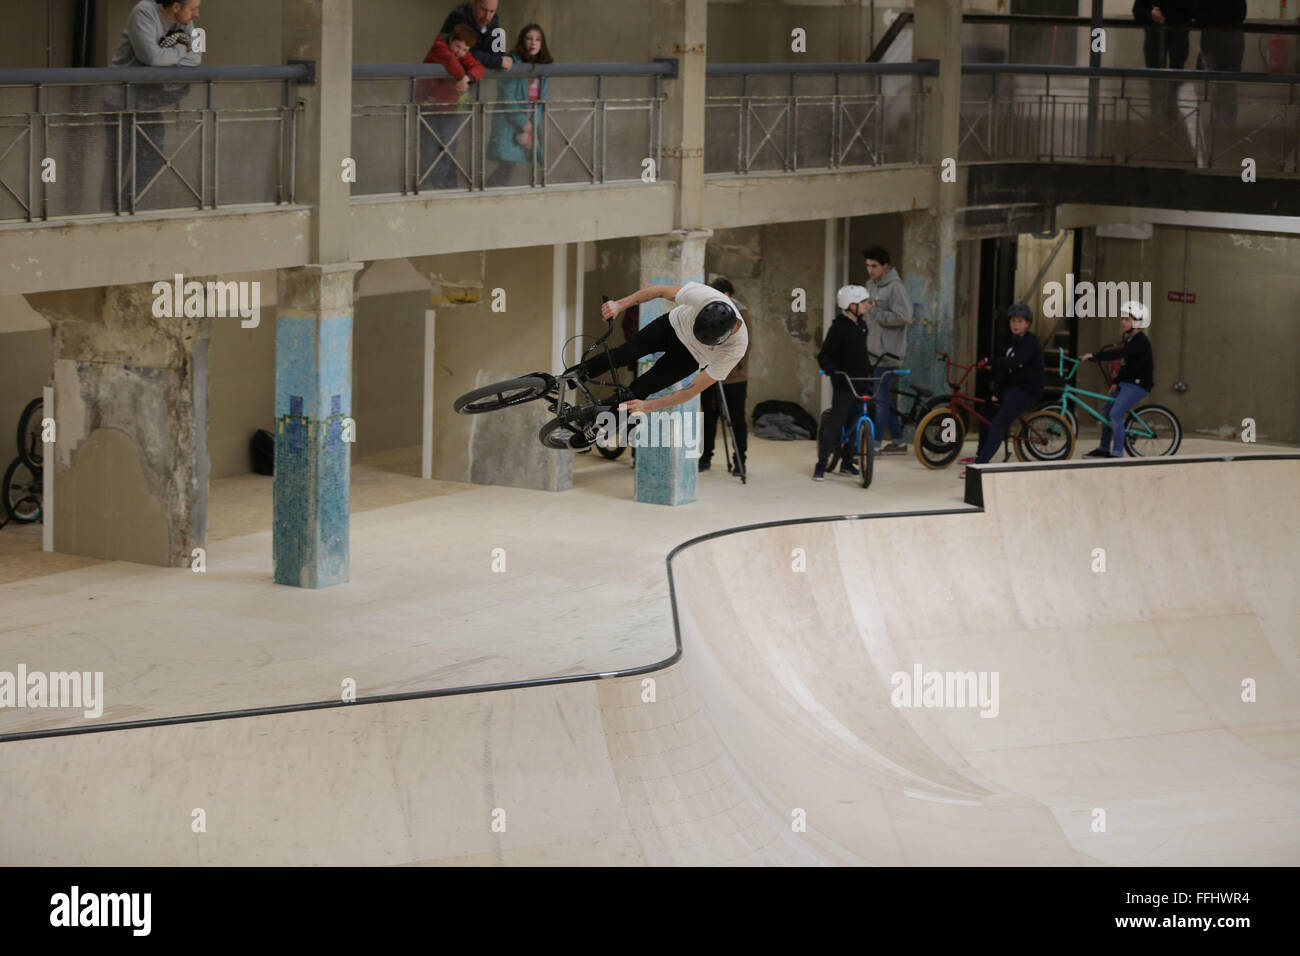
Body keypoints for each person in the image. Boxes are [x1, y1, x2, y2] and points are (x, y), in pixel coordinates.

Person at [557, 282, 748, 450]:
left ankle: (598, 430)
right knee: (624, 354)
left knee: (637, 392)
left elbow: (691, 390)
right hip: (672, 326)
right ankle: (571, 377)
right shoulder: (708, 297)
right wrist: (619, 305)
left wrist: (647, 406)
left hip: (691, 357)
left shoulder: (736, 349)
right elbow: (659, 290)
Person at [111, 0, 203, 199]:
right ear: (176, 7)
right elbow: (152, 58)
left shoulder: (186, 21)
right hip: (121, 101)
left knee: (153, 158)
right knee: (117, 163)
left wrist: (167, 56)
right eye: (193, 8)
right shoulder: (143, 11)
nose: (196, 14)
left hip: (149, 100)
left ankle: (128, 203)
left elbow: (196, 58)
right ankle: (108, 209)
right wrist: (181, 49)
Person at [968, 303, 1044, 477]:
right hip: (1013, 388)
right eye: (1013, 321)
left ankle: (981, 464)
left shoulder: (1030, 342)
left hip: (1027, 390)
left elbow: (1013, 363)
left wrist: (990, 360)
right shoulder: (1013, 344)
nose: (1015, 324)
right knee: (986, 412)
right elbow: (1007, 372)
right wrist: (996, 393)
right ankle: (980, 454)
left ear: (1028, 324)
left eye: (1020, 321)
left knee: (1000, 422)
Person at [813, 286, 874, 481]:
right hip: (844, 383)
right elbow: (825, 354)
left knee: (857, 419)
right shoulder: (839, 327)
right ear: (851, 305)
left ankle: (847, 462)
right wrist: (831, 370)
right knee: (837, 421)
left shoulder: (862, 326)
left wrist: (869, 373)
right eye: (863, 303)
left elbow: (862, 356)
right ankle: (821, 464)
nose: (866, 306)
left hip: (861, 381)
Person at [1080, 301, 1155, 458]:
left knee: (1115, 414)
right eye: (1122, 318)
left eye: (1127, 319)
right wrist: (1115, 383)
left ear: (1138, 321)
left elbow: (1118, 354)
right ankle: (1103, 449)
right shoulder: (1130, 340)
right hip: (1126, 383)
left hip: (1138, 385)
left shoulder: (1141, 341)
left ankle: (1117, 453)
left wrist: (1095, 356)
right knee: (1106, 412)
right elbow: (1125, 364)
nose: (1122, 322)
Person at [417, 24, 485, 190]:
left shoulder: (463, 55)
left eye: (464, 49)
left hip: (449, 109)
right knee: (429, 148)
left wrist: (468, 78)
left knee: (448, 148)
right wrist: (463, 77)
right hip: (429, 105)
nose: (460, 52)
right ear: (451, 40)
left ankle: (440, 183)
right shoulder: (439, 46)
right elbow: (449, 60)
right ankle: (426, 184)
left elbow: (479, 67)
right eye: (458, 46)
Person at [486, 24, 552, 188]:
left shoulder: (543, 67)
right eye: (529, 39)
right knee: (508, 163)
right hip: (510, 122)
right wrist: (522, 123)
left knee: (515, 165)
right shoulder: (513, 62)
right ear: (522, 41)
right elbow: (506, 96)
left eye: (537, 39)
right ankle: (489, 191)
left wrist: (532, 125)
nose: (533, 43)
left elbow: (542, 100)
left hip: (530, 123)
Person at [862, 245, 912, 454]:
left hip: (888, 354)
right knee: (881, 398)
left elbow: (904, 316)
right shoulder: (869, 285)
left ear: (885, 266)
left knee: (880, 400)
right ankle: (899, 441)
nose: (870, 270)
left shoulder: (895, 288)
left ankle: (874, 445)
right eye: (867, 266)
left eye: (874, 266)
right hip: (872, 352)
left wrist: (878, 314)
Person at [699, 278, 750, 473]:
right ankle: (706, 456)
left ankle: (740, 460)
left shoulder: (741, 313)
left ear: (727, 294)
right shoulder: (707, 310)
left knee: (736, 417)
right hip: (709, 372)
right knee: (709, 417)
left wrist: (728, 365)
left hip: (734, 376)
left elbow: (746, 345)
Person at [1133, 1, 1193, 118]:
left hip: (1173, 38)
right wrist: (1150, 14)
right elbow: (1137, 10)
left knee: (1173, 81)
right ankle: (1161, 119)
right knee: (1158, 81)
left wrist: (1154, 15)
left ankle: (1167, 118)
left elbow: (1192, 10)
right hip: (1161, 39)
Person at [1194, 0, 1246, 128]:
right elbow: (1197, 13)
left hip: (1224, 43)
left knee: (1226, 86)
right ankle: (1220, 124)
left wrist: (1213, 16)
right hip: (1218, 42)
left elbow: (1240, 14)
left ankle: (1224, 124)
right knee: (1219, 86)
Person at [440, 0, 514, 72]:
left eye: (492, 11)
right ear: (473, 3)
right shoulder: (458, 16)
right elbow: (465, 52)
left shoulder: (494, 19)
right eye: (483, 9)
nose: (487, 16)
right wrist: (497, 61)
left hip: (475, 76)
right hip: (448, 75)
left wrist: (504, 59)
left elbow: (498, 53)